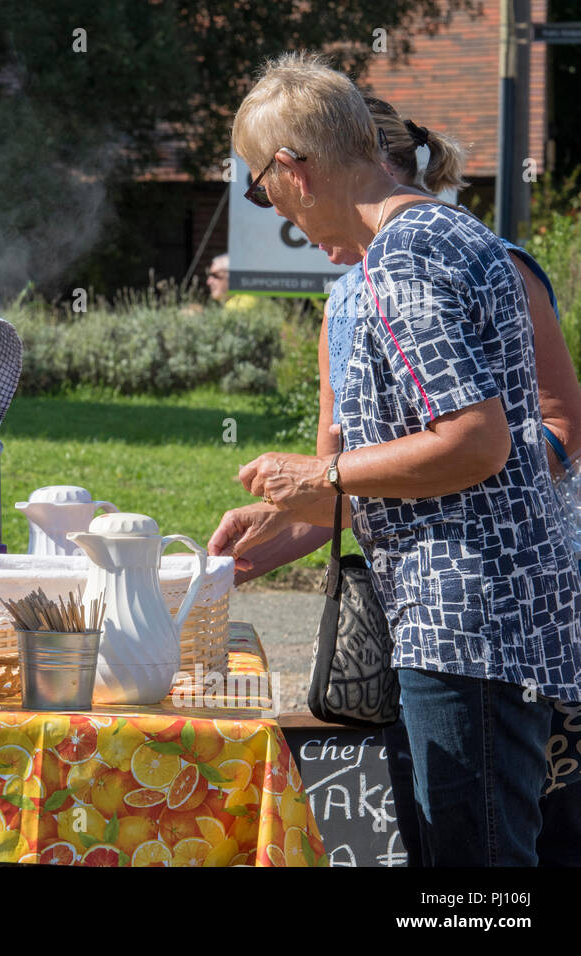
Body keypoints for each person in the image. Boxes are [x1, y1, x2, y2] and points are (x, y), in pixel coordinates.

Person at [215, 51, 581, 866]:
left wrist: (324, 478)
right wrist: (281, 521)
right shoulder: (438, 238)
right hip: (478, 618)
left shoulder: (406, 255)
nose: (265, 202)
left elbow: (476, 441)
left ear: (293, 170)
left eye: (257, 183)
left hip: (466, 623)